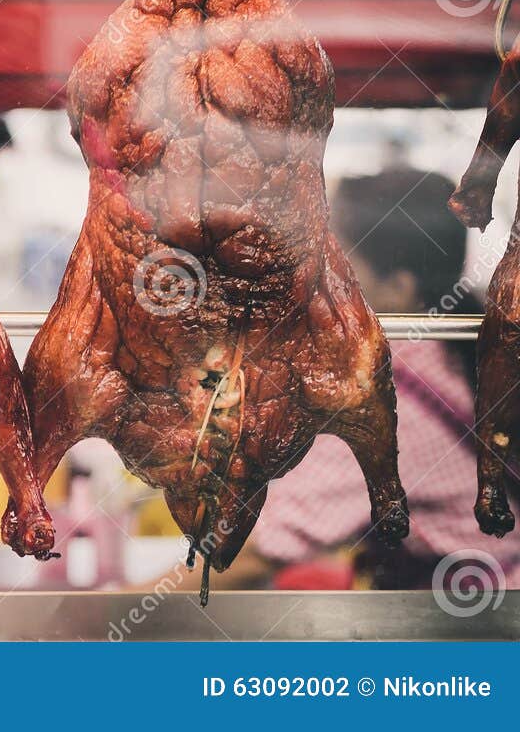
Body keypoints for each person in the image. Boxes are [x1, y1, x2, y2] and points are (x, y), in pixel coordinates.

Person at [212, 167, 520, 589]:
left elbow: (257, 545)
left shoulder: (389, 391)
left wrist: (116, 611)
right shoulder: (458, 349)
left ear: (399, 288)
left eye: (332, 264)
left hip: (482, 632)